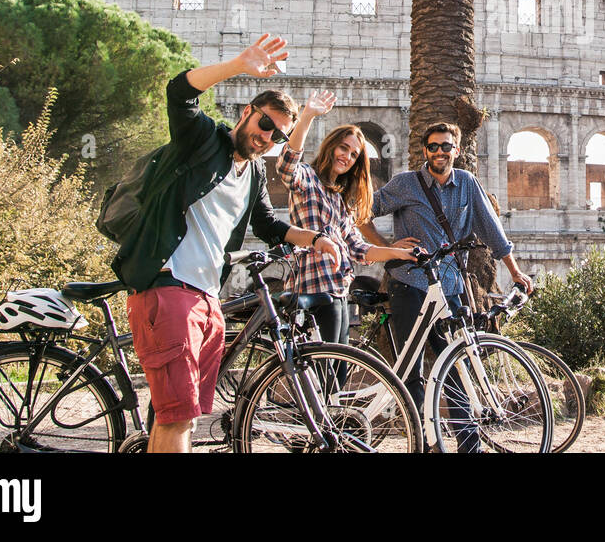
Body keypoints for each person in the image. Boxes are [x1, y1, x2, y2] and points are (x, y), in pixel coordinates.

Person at [119, 34, 342, 453]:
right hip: (168, 285)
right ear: (247, 113)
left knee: (180, 418)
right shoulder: (202, 141)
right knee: (177, 419)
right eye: (265, 125)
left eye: (277, 137)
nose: (266, 138)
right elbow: (179, 92)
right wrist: (239, 64)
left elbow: (269, 224)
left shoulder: (255, 174)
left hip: (206, 295)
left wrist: (316, 239)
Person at [364, 121, 534, 449]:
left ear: (456, 150)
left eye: (446, 146)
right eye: (433, 147)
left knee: (457, 366)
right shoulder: (405, 184)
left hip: (450, 286)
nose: (439, 152)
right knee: (410, 369)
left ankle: (469, 444)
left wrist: (514, 271)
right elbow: (361, 212)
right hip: (409, 284)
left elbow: (491, 229)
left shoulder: (468, 183)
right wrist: (387, 247)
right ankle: (423, 442)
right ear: (424, 151)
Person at [276, 90, 418, 361]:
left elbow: (358, 249)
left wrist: (395, 252)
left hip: (339, 290)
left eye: (354, 155)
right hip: (311, 288)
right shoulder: (306, 179)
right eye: (344, 148)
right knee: (321, 373)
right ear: (331, 145)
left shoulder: (340, 199)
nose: (347, 157)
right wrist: (307, 116)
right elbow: (286, 166)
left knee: (336, 376)